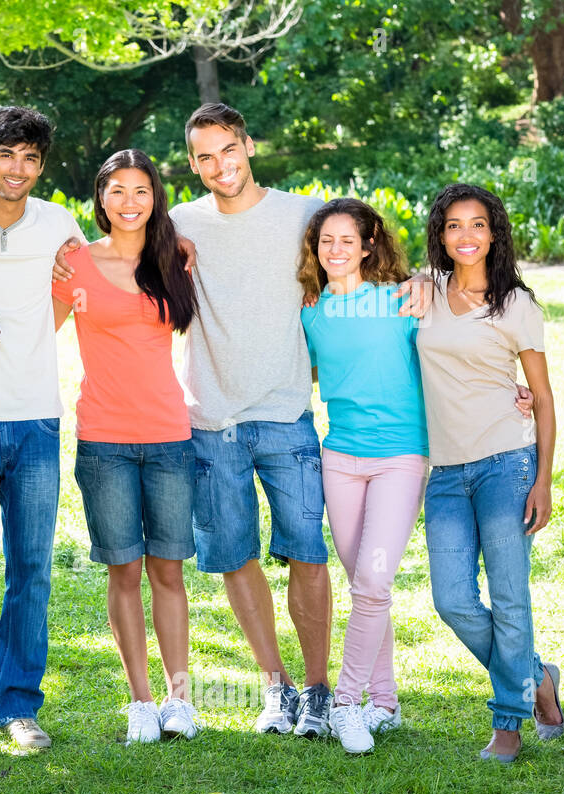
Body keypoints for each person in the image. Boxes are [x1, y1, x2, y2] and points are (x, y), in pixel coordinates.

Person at [149, 103, 428, 737]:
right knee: (235, 555)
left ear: (247, 146)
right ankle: (277, 690)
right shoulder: (179, 222)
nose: (220, 165)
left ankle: (320, 689)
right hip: (210, 418)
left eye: (228, 149)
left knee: (307, 552)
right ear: (192, 165)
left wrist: (425, 284)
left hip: (286, 416)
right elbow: (121, 242)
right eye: (204, 156)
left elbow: (362, 259)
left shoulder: (303, 214)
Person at [0, 106, 88, 750]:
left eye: (30, 158)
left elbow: (83, 279)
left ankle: (19, 702)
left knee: (32, 564)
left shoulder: (57, 223)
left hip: (34, 418)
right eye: (7, 155)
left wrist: (29, 337)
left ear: (41, 166)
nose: (17, 169)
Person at [51, 149, 200, 744]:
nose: (129, 202)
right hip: (105, 440)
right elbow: (36, 332)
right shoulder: (76, 264)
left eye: (141, 191)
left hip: (169, 436)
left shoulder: (176, 259)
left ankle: (179, 699)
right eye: (117, 191)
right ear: (101, 197)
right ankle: (140, 700)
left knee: (169, 571)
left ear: (155, 197)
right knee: (124, 569)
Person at [416, 183, 562, 762]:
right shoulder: (425, 294)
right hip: (446, 472)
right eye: (454, 226)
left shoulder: (515, 305)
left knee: (508, 597)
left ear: (494, 232)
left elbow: (545, 399)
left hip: (507, 462)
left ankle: (509, 723)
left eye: (477, 224)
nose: (466, 236)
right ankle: (537, 677)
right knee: (451, 600)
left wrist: (544, 479)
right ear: (441, 235)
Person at [296, 199, 427, 754]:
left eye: (347, 240)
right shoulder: (311, 311)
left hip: (401, 457)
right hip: (340, 459)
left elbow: (455, 353)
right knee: (365, 587)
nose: (336, 250)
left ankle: (346, 705)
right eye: (326, 240)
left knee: (372, 583)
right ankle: (386, 703)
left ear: (370, 244)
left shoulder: (402, 299)